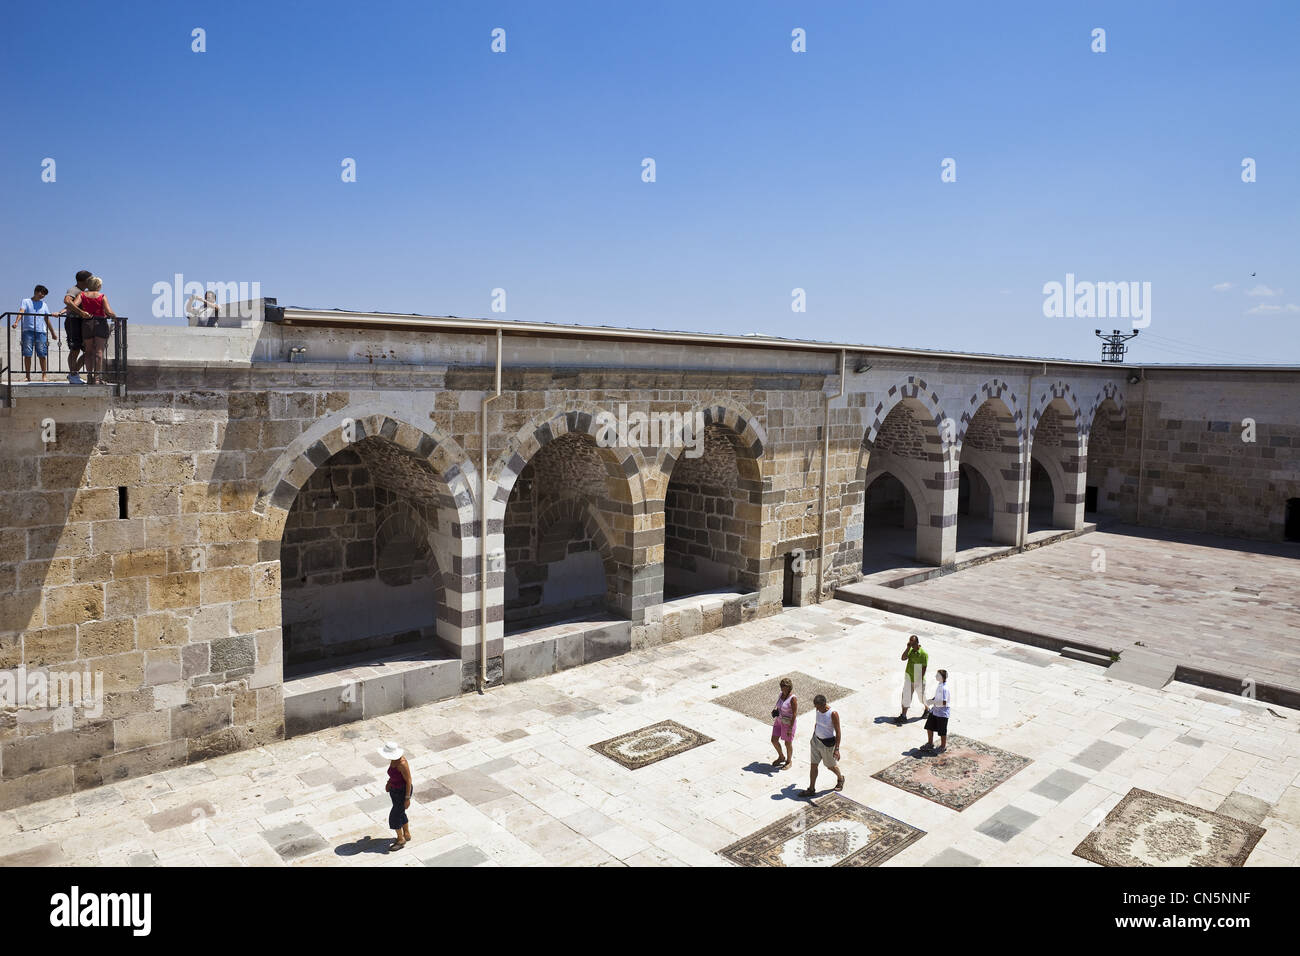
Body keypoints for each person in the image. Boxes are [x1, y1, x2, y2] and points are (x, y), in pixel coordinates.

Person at [72, 276, 115, 384]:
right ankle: (97, 378)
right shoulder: (102, 296)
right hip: (100, 323)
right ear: (98, 286)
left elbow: (73, 305)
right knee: (99, 352)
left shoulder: (82, 295)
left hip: (87, 323)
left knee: (88, 352)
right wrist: (116, 318)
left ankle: (89, 377)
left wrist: (81, 312)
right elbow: (109, 312)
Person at [799, 694, 845, 797]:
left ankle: (840, 778)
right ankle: (811, 789)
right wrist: (814, 734)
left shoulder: (833, 713)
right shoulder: (818, 710)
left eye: (818, 707)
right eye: (816, 707)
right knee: (813, 765)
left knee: (830, 766)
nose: (817, 709)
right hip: (816, 741)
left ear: (824, 704)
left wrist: (837, 749)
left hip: (827, 744)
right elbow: (817, 723)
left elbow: (838, 732)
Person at [12, 285, 60, 382]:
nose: (42, 295)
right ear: (36, 291)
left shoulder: (44, 304)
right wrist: (16, 321)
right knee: (27, 354)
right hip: (27, 331)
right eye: (41, 293)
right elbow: (21, 311)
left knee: (42, 354)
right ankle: (27, 376)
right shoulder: (26, 301)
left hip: (41, 331)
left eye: (44, 294)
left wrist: (53, 333)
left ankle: (44, 376)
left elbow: (47, 319)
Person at [380, 741, 412, 850]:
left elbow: (408, 780)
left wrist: (407, 798)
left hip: (402, 792)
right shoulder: (394, 760)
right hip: (394, 790)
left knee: (394, 816)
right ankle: (406, 833)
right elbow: (395, 775)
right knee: (400, 812)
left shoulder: (402, 763)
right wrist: (389, 783)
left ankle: (400, 839)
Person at [62, 269, 91, 384]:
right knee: (75, 349)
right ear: (85, 281)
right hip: (73, 321)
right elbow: (67, 301)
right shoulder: (74, 290)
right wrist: (80, 312)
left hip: (81, 323)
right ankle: (73, 374)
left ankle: (73, 373)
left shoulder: (84, 291)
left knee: (89, 351)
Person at [896, 634, 930, 725]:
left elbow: (924, 668)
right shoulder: (910, 650)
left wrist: (919, 680)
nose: (912, 645)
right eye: (910, 643)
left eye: (913, 643)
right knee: (906, 697)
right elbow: (903, 658)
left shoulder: (923, 654)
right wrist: (907, 648)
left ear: (917, 643)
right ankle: (903, 716)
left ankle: (927, 709)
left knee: (921, 698)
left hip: (918, 680)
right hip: (909, 677)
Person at [770, 677, 797, 769]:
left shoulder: (793, 699)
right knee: (774, 740)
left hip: (788, 723)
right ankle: (781, 757)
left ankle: (789, 761)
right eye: (781, 686)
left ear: (789, 688)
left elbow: (794, 714)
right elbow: (779, 706)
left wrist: (790, 727)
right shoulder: (781, 694)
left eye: (784, 687)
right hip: (778, 721)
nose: (782, 689)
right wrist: (776, 710)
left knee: (787, 743)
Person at [922, 670, 951, 753]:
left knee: (942, 731)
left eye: (937, 675)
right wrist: (932, 700)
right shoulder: (940, 685)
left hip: (942, 713)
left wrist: (933, 702)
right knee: (929, 726)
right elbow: (937, 697)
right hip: (935, 710)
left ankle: (943, 746)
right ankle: (930, 743)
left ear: (942, 677)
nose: (935, 676)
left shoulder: (944, 688)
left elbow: (944, 702)